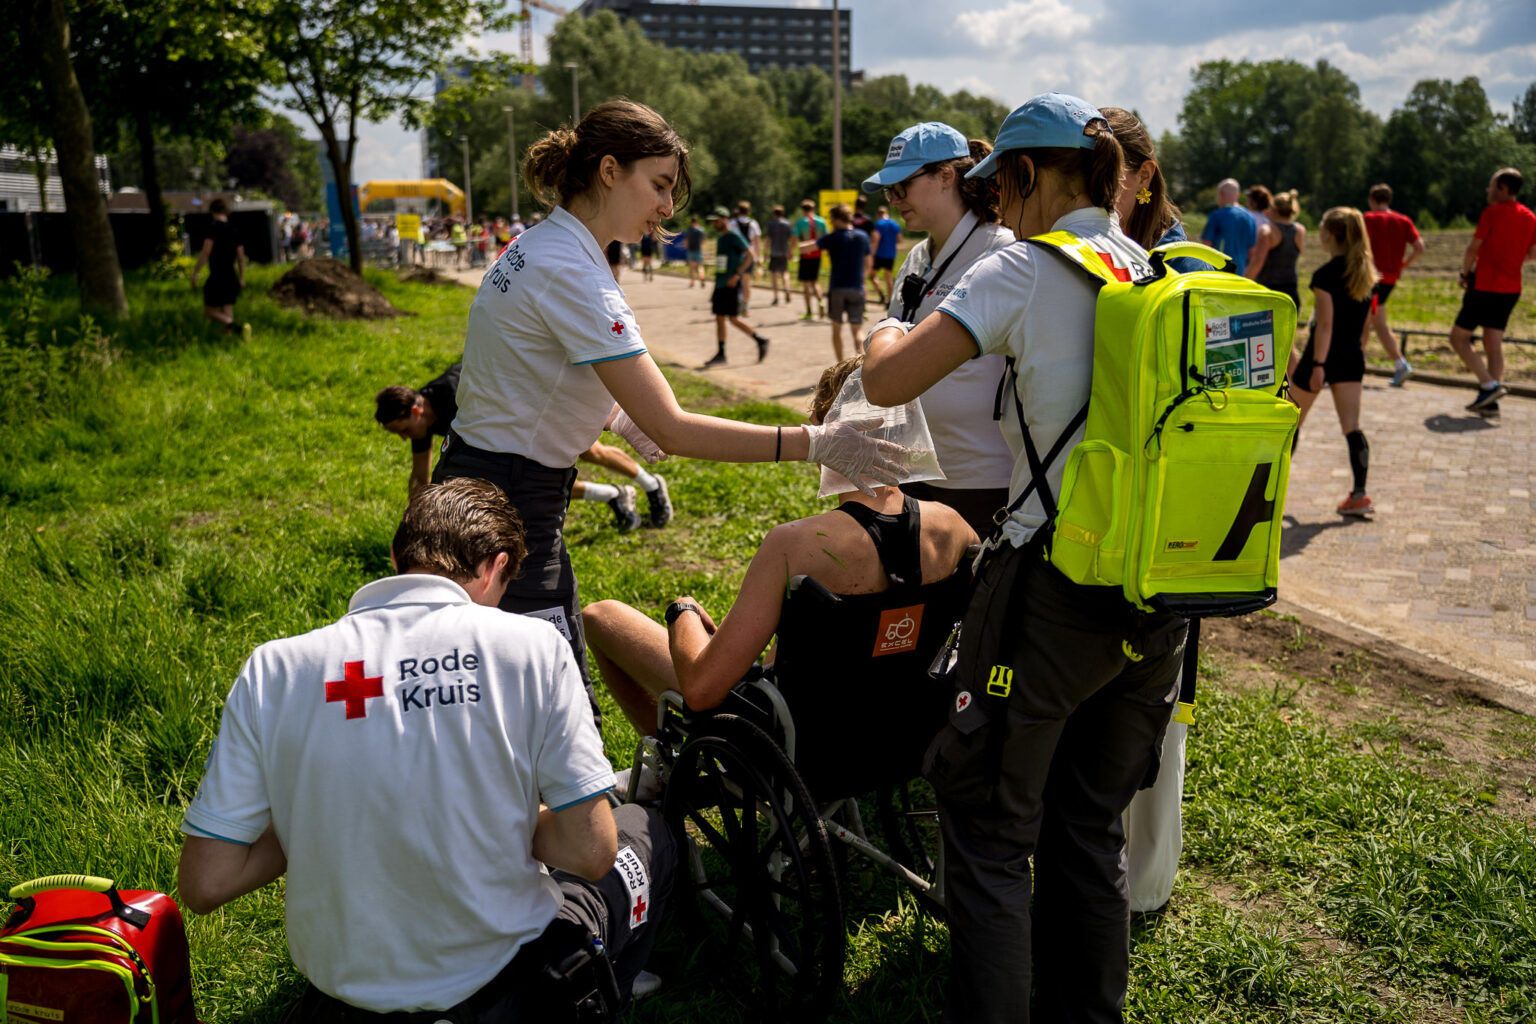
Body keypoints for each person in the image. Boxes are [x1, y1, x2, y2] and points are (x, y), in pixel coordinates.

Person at [863, 92, 1190, 1024]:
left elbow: (890, 380)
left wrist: (883, 327)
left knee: (992, 830)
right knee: (1088, 829)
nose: (996, 206)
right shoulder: (1151, 264)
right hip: (1153, 591)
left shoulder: (1025, 271)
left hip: (1052, 585)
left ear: (1022, 174)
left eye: (997, 184)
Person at [434, 99, 901, 725]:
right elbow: (673, 428)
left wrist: (619, 416)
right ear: (607, 170)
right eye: (658, 185)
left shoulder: (545, 247)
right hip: (511, 499)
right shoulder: (572, 268)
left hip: (494, 486)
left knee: (521, 707)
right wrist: (821, 442)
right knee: (558, 725)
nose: (667, 208)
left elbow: (538, 375)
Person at [177, 478, 677, 1020]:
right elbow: (589, 852)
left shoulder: (274, 668)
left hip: (346, 997)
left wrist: (318, 810)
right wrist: (498, 819)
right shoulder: (529, 646)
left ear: (396, 556)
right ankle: (603, 989)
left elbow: (206, 883)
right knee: (648, 833)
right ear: (495, 566)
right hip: (502, 982)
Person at [584, 356, 977, 735]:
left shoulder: (796, 544)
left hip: (794, 742)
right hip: (902, 733)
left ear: (820, 424)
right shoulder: (955, 528)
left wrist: (682, 613)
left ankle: (659, 776)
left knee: (601, 616)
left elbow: (702, 691)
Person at [1099, 105, 1213, 916]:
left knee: (1161, 708)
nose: (1103, 189)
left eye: (1115, 173)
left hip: (1170, 517)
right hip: (1108, 512)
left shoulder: (1182, 264)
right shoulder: (1103, 254)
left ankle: (1144, 887)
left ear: (1145, 176)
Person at [862, 120, 1015, 537]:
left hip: (981, 478)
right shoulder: (916, 256)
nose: (894, 200)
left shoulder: (1003, 250)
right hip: (913, 468)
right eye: (889, 192)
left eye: (902, 187)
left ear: (946, 175)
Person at [1291, 207, 1379, 516]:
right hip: (1352, 357)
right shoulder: (1366, 276)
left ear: (1330, 234)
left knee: (1290, 422)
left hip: (1322, 357)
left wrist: (1318, 366)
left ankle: (1268, 493)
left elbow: (1324, 325)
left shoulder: (1325, 275)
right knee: (1352, 428)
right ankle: (1360, 494)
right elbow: (1365, 326)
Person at [1450, 167, 1536, 414]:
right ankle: (1490, 403)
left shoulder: (1492, 213)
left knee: (1458, 338)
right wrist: (1511, 259)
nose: (1488, 190)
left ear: (1503, 188)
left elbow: (1472, 248)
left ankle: (1488, 385)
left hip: (1485, 285)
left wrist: (1465, 274)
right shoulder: (1530, 217)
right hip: (1511, 289)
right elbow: (1532, 254)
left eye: (1491, 185)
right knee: (1493, 343)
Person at [1363, 183, 1424, 387]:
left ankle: (1350, 368)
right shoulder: (1403, 220)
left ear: (1372, 200)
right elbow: (1419, 248)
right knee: (1378, 324)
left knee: (1363, 323)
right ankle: (1400, 364)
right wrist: (1402, 264)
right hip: (1390, 280)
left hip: (1371, 279)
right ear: (1389, 200)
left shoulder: (1369, 218)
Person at [375, 362, 462, 496]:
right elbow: (421, 480)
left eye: (404, 430)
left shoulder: (456, 402)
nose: (404, 438)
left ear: (416, 411)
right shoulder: (420, 423)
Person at [705, 206, 771, 367]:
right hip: (721, 284)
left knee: (733, 318)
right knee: (720, 318)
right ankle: (721, 353)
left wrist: (737, 274)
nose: (714, 224)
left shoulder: (734, 236)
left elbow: (750, 254)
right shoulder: (721, 238)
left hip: (731, 284)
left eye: (716, 221)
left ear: (725, 220)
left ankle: (760, 340)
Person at [805, 202, 871, 361]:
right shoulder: (862, 237)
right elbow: (868, 262)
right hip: (857, 287)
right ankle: (861, 367)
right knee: (857, 330)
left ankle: (840, 366)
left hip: (837, 289)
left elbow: (808, 248)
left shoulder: (832, 237)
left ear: (836, 218)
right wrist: (863, 281)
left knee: (836, 329)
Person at [190, 198, 248, 338]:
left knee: (209, 311)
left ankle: (230, 323)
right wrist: (241, 277)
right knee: (227, 306)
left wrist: (195, 272)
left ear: (212, 211)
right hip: (231, 274)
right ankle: (231, 339)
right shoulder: (234, 230)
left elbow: (206, 251)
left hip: (217, 274)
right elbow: (241, 257)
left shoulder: (213, 228)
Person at [1256, 189, 1306, 311]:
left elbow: (1257, 262)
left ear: (1275, 210)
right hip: (1291, 292)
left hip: (1268, 291)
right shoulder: (1300, 230)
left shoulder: (1267, 231)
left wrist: (1242, 285)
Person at [1200, 177, 1258, 276]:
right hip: (1241, 273)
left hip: (1219, 273)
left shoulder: (1216, 216)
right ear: (1238, 194)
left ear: (1221, 194)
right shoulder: (1249, 217)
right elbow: (1252, 251)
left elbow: (1206, 245)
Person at [794, 198, 828, 319]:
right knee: (815, 281)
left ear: (803, 209)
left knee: (806, 284)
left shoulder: (800, 222)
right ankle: (820, 301)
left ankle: (809, 311)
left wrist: (791, 250)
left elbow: (794, 238)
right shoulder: (821, 221)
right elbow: (826, 238)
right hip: (817, 255)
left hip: (805, 255)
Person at [869, 203, 903, 304]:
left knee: (872, 276)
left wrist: (872, 254)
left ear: (878, 215)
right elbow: (900, 240)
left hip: (879, 254)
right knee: (888, 278)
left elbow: (876, 240)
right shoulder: (895, 224)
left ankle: (881, 294)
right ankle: (890, 301)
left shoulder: (879, 224)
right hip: (890, 254)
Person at [733, 201, 762, 312]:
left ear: (738, 210)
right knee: (746, 282)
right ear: (748, 211)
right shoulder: (754, 224)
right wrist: (758, 257)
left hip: (737, 255)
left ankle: (738, 301)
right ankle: (746, 305)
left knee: (736, 279)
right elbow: (757, 242)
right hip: (750, 256)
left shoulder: (733, 223)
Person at [1244, 184, 1274, 281]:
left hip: (1248, 262)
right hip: (1266, 265)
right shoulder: (1270, 220)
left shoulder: (1247, 217)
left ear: (1253, 202)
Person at [765, 204, 795, 305]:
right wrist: (791, 251)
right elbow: (792, 238)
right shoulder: (787, 223)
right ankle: (787, 289)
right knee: (785, 273)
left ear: (774, 214)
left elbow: (768, 239)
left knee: (774, 275)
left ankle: (776, 297)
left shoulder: (771, 224)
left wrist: (765, 252)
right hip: (784, 251)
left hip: (774, 252)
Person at [683, 215, 706, 286]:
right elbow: (703, 241)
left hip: (690, 250)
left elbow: (685, 242)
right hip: (698, 250)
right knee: (700, 266)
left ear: (691, 222)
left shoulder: (688, 230)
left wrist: (686, 247)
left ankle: (692, 282)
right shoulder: (701, 230)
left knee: (691, 268)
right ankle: (702, 277)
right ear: (697, 222)